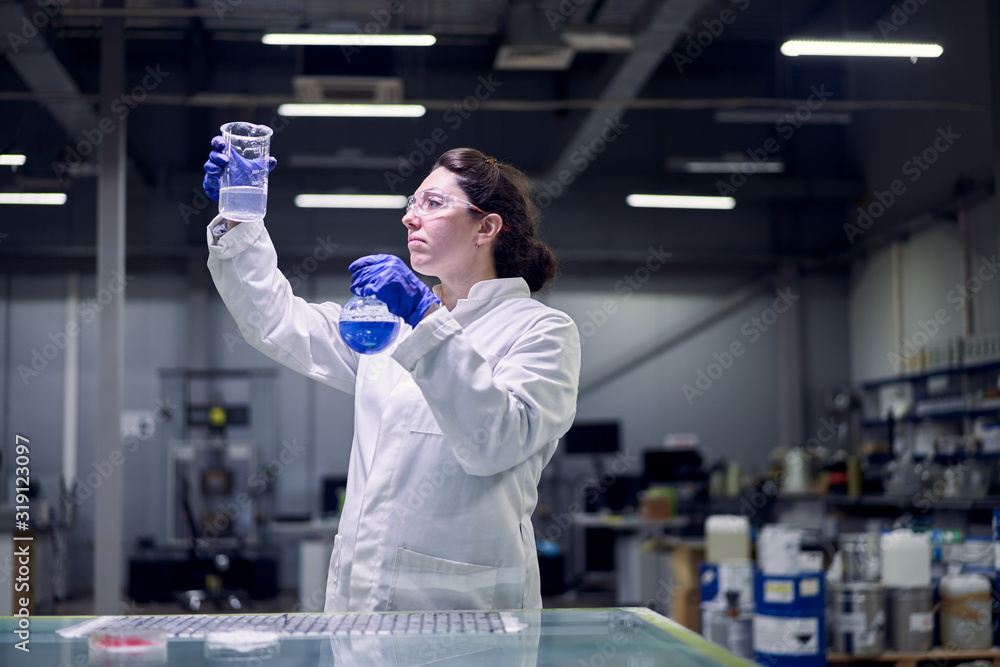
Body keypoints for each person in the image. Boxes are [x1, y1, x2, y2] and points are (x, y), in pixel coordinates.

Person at [202, 140, 581, 612]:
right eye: (412, 202)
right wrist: (240, 218)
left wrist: (426, 319)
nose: (410, 216)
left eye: (434, 203)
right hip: (360, 604)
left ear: (486, 227)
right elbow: (276, 322)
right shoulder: (390, 328)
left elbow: (494, 441)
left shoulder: (540, 330)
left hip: (466, 613)